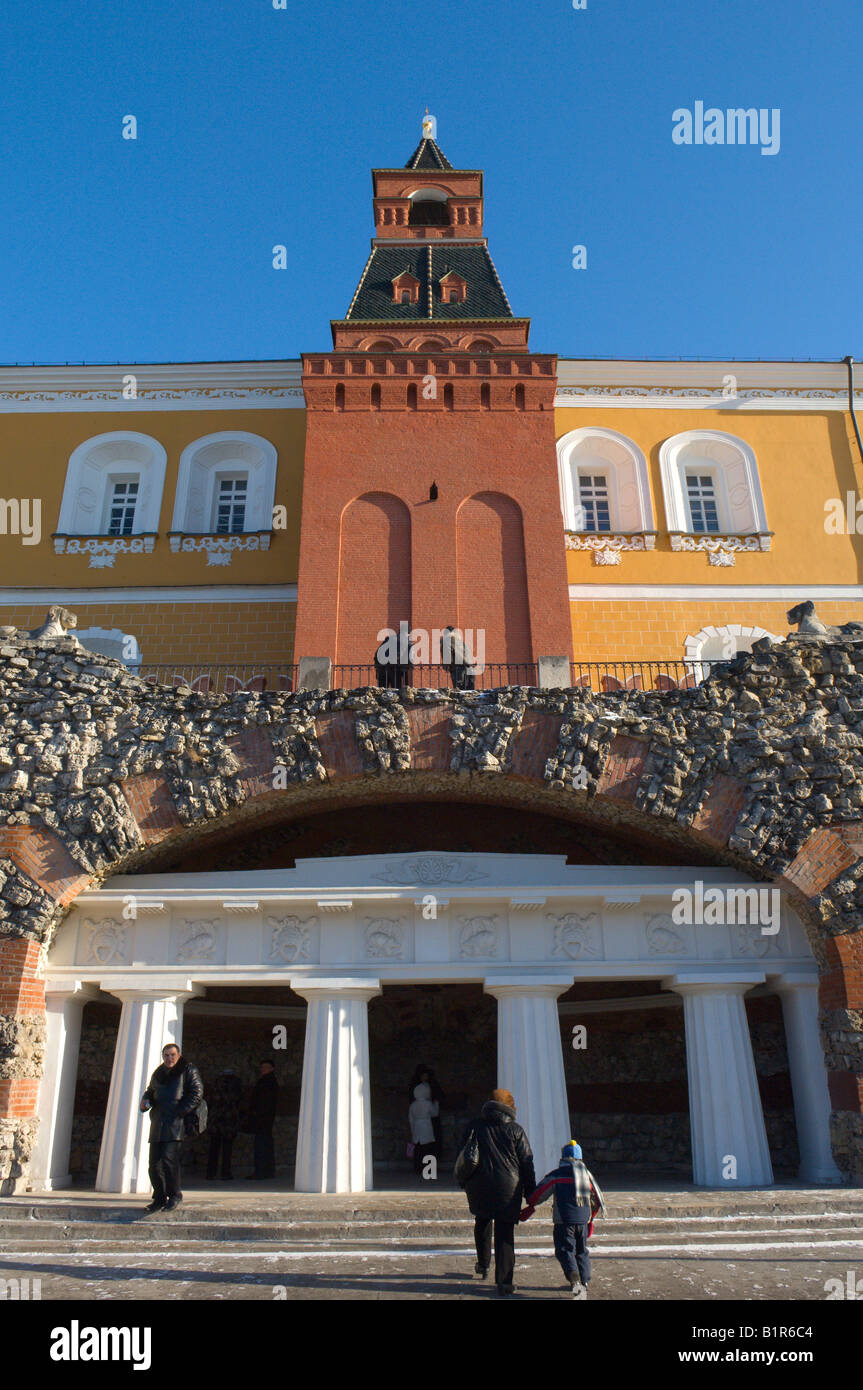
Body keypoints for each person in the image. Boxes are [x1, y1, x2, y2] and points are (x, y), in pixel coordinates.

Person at [454, 1087, 535, 1297]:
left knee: (482, 1223)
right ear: (510, 1107)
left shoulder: (475, 1126)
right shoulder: (516, 1130)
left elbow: (465, 1155)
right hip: (509, 1190)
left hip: (478, 1187)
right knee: (505, 1233)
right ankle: (504, 1282)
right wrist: (531, 1191)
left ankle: (483, 1264)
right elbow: (527, 1162)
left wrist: (463, 1181)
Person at [520, 1140, 606, 1299]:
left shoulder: (557, 1175)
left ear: (563, 1157)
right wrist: (590, 1218)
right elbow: (596, 1199)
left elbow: (540, 1193)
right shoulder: (587, 1175)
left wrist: (531, 1200)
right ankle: (584, 1280)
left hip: (564, 1221)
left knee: (565, 1250)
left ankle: (574, 1279)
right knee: (582, 1251)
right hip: (583, 1221)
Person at [139, 1042, 204, 1214]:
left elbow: (196, 1093)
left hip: (175, 1124)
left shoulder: (188, 1070)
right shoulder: (159, 1073)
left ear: (179, 1055)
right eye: (166, 1055)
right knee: (153, 1165)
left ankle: (175, 1195)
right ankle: (159, 1197)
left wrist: (180, 1112)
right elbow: (150, 1091)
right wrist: (146, 1102)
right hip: (158, 1122)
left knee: (169, 1161)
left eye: (172, 1055)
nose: (169, 1058)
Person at [206, 1067, 242, 1181]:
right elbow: (238, 1101)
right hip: (229, 1119)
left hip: (216, 1119)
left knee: (214, 1147)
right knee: (227, 1148)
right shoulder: (236, 1085)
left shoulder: (216, 1084)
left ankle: (211, 1173)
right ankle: (225, 1173)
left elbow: (210, 1100)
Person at [245, 1060, 279, 1180]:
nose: (262, 1069)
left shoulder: (267, 1083)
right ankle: (266, 1171)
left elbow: (263, 1102)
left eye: (265, 1067)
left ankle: (261, 1171)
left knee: (262, 1145)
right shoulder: (269, 1082)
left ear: (271, 1069)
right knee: (265, 1144)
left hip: (263, 1119)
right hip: (265, 1119)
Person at [408, 1064, 444, 1160]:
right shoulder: (417, 1091)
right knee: (424, 1145)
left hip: (428, 1121)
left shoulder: (432, 1086)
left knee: (427, 1145)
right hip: (426, 1121)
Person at [408, 1081, 439, 1180]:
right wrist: (436, 1104)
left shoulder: (413, 1105)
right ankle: (428, 1170)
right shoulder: (428, 1104)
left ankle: (417, 1168)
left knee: (418, 1149)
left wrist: (412, 1130)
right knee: (428, 1149)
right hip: (426, 1126)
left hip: (417, 1126)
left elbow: (410, 1118)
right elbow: (435, 1113)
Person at [441, 626, 479, 691]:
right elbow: (468, 654)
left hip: (458, 670)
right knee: (470, 692)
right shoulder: (461, 642)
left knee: (460, 692)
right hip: (470, 669)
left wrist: (446, 666)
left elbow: (449, 657)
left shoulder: (447, 642)